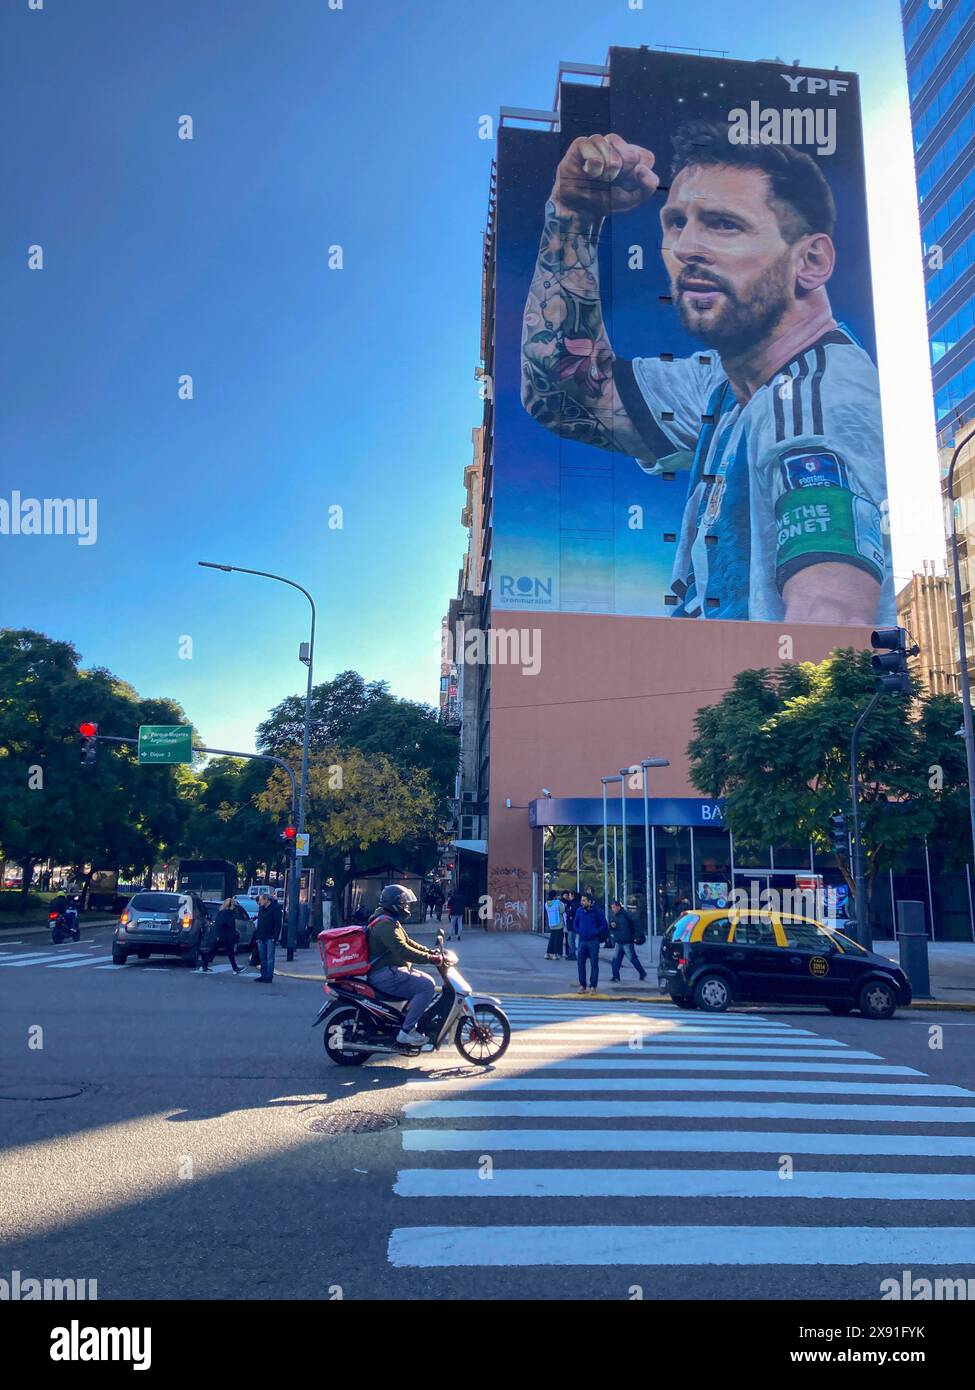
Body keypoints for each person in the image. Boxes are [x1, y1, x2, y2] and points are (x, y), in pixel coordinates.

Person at [521, 121, 893, 626]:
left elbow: (830, 626)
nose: (687, 247)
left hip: (767, 707)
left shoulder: (815, 402)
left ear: (811, 260)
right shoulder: (725, 384)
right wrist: (574, 213)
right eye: (676, 222)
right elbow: (565, 395)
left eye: (723, 224)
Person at [366, 884, 443, 1047]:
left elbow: (408, 942)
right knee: (426, 986)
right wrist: (430, 958)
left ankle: (406, 1021)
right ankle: (406, 1032)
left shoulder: (389, 920)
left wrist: (430, 952)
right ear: (393, 903)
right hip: (385, 974)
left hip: (392, 971)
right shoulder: (384, 925)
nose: (406, 906)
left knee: (426, 980)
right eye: (403, 903)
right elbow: (402, 950)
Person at [572, 891, 608, 993]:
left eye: (584, 901)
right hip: (582, 940)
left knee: (594, 963)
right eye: (581, 900)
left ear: (589, 902)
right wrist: (578, 930)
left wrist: (595, 932)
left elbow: (604, 924)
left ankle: (593, 986)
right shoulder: (579, 911)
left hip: (593, 941)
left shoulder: (596, 912)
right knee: (580, 963)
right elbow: (575, 923)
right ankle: (582, 985)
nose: (582, 902)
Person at [609, 899, 647, 983]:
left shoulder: (626, 915)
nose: (613, 909)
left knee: (632, 958)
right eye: (612, 908)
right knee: (616, 959)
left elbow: (635, 923)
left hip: (627, 941)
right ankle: (616, 976)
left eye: (614, 907)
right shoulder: (614, 916)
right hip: (619, 941)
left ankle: (642, 972)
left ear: (618, 907)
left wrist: (637, 935)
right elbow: (612, 926)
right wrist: (612, 926)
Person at [200, 897, 241, 974]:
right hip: (224, 936)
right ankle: (235, 968)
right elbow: (222, 925)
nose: (235, 906)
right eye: (234, 905)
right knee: (226, 952)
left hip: (223, 936)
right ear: (231, 905)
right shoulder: (225, 914)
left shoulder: (224, 913)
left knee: (215, 951)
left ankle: (204, 966)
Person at [254, 892, 280, 983]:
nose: (259, 902)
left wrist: (275, 936)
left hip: (270, 936)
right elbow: (260, 922)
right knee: (262, 957)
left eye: (261, 900)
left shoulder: (275, 908)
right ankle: (263, 975)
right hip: (261, 936)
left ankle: (269, 977)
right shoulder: (261, 908)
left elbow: (277, 923)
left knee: (269, 957)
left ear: (266, 900)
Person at [544, 891, 565, 959]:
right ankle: (555, 954)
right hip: (559, 923)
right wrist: (560, 901)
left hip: (551, 923)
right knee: (558, 940)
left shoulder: (546, 904)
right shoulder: (557, 902)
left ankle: (548, 953)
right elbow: (562, 910)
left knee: (552, 939)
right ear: (554, 896)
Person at [563, 890, 579, 961]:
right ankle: (571, 953)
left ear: (573, 896)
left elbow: (570, 912)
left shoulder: (574, 904)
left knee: (571, 940)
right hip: (570, 924)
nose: (569, 897)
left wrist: (569, 913)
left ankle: (572, 954)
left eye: (569, 895)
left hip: (572, 925)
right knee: (570, 940)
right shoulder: (571, 903)